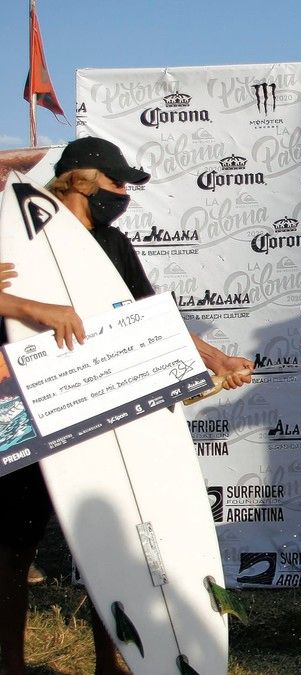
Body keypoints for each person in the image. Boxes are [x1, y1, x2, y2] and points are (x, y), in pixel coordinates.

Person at [0, 136, 254, 675]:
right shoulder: (11, 233)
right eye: (117, 183)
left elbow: (151, 318)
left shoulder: (112, 245)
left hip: (99, 412)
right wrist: (34, 309)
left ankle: (111, 662)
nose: (123, 194)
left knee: (111, 549)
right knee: (12, 551)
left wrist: (216, 359)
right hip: (25, 409)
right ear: (81, 180)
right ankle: (11, 664)